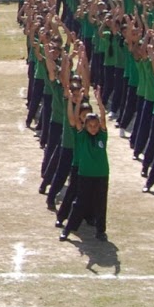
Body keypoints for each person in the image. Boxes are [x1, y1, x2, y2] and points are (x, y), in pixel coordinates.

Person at [59, 79, 110, 242]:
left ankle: (101, 230)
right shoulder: (81, 137)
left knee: (101, 204)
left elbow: (103, 119)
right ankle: (68, 229)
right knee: (79, 203)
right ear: (85, 126)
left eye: (96, 125)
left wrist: (100, 102)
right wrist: (79, 101)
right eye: (91, 126)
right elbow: (74, 120)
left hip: (102, 174)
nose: (94, 128)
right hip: (85, 174)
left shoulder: (102, 135)